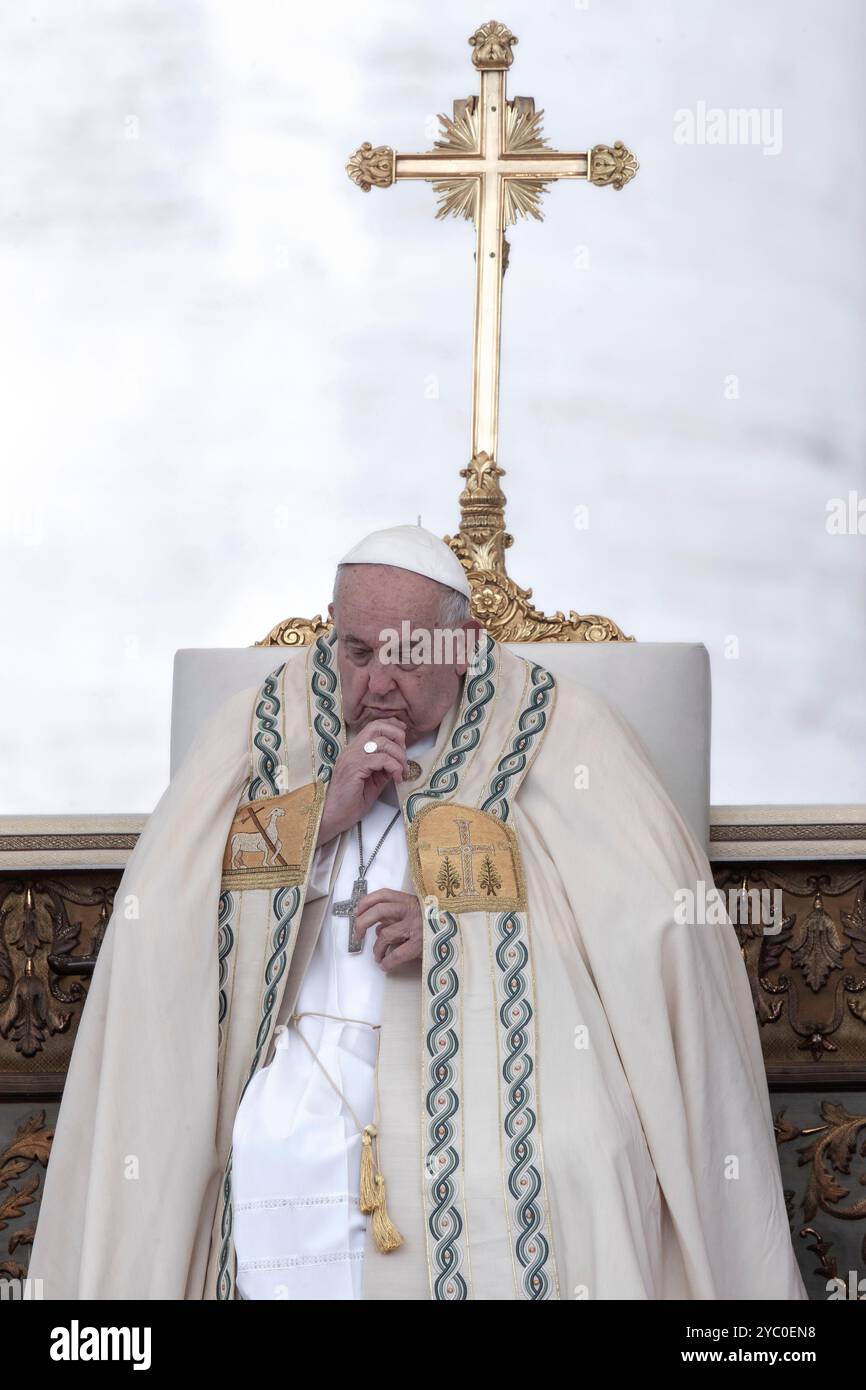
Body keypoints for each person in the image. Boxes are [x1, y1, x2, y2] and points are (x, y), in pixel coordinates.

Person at [30, 525, 808, 1300]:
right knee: (271, 1145)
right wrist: (317, 820)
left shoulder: (558, 732)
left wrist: (455, 932)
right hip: (294, 1064)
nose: (376, 685)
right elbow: (168, 905)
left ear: (463, 646)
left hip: (520, 1055)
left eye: (405, 655)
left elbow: (650, 936)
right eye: (358, 653)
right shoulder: (269, 727)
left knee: (570, 1163)